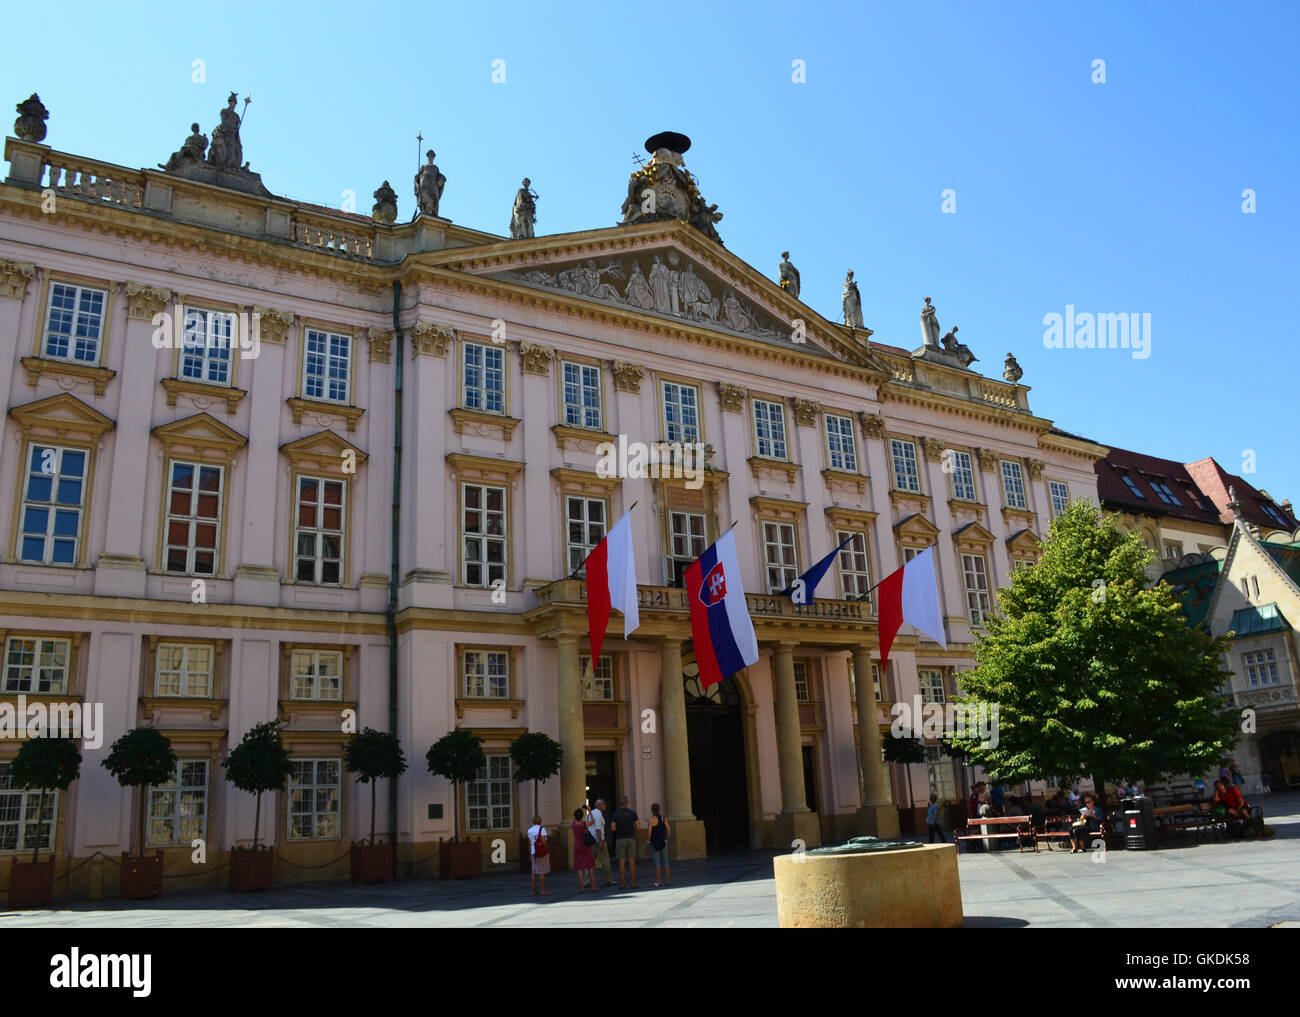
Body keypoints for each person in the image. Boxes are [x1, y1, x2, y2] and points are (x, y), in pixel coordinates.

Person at [610, 796, 640, 889]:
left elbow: (613, 828)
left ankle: (623, 884)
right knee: (631, 861)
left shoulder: (616, 814)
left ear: (620, 803)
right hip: (630, 838)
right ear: (627, 803)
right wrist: (632, 828)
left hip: (620, 839)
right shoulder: (632, 813)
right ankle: (633, 883)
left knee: (621, 862)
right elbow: (638, 826)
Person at [588, 798, 613, 887]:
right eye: (603, 804)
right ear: (599, 806)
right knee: (605, 860)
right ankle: (608, 879)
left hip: (591, 841)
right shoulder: (598, 814)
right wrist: (601, 842)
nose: (605, 806)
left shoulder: (590, 814)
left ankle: (586, 881)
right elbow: (598, 829)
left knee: (590, 862)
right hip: (598, 840)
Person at [572, 807, 597, 892]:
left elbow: (575, 817)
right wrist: (589, 811)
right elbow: (593, 821)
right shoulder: (584, 824)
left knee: (580, 868)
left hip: (577, 846)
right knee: (590, 866)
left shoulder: (573, 824)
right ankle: (593, 887)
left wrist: (579, 809)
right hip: (585, 846)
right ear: (582, 816)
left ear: (575, 816)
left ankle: (582, 888)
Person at [648, 803, 671, 887]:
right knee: (666, 862)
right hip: (663, 841)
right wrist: (666, 838)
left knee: (657, 863)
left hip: (655, 842)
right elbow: (668, 829)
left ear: (652, 810)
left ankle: (658, 882)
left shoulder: (651, 819)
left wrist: (649, 840)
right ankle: (668, 881)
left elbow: (649, 832)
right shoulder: (663, 818)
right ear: (659, 809)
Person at [526, 814, 549, 895]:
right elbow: (544, 841)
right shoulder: (542, 829)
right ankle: (543, 890)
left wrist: (529, 853)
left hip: (533, 852)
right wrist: (547, 848)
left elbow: (529, 843)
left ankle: (534, 890)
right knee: (542, 871)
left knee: (534, 872)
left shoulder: (529, 830)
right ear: (540, 821)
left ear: (533, 821)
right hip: (541, 852)